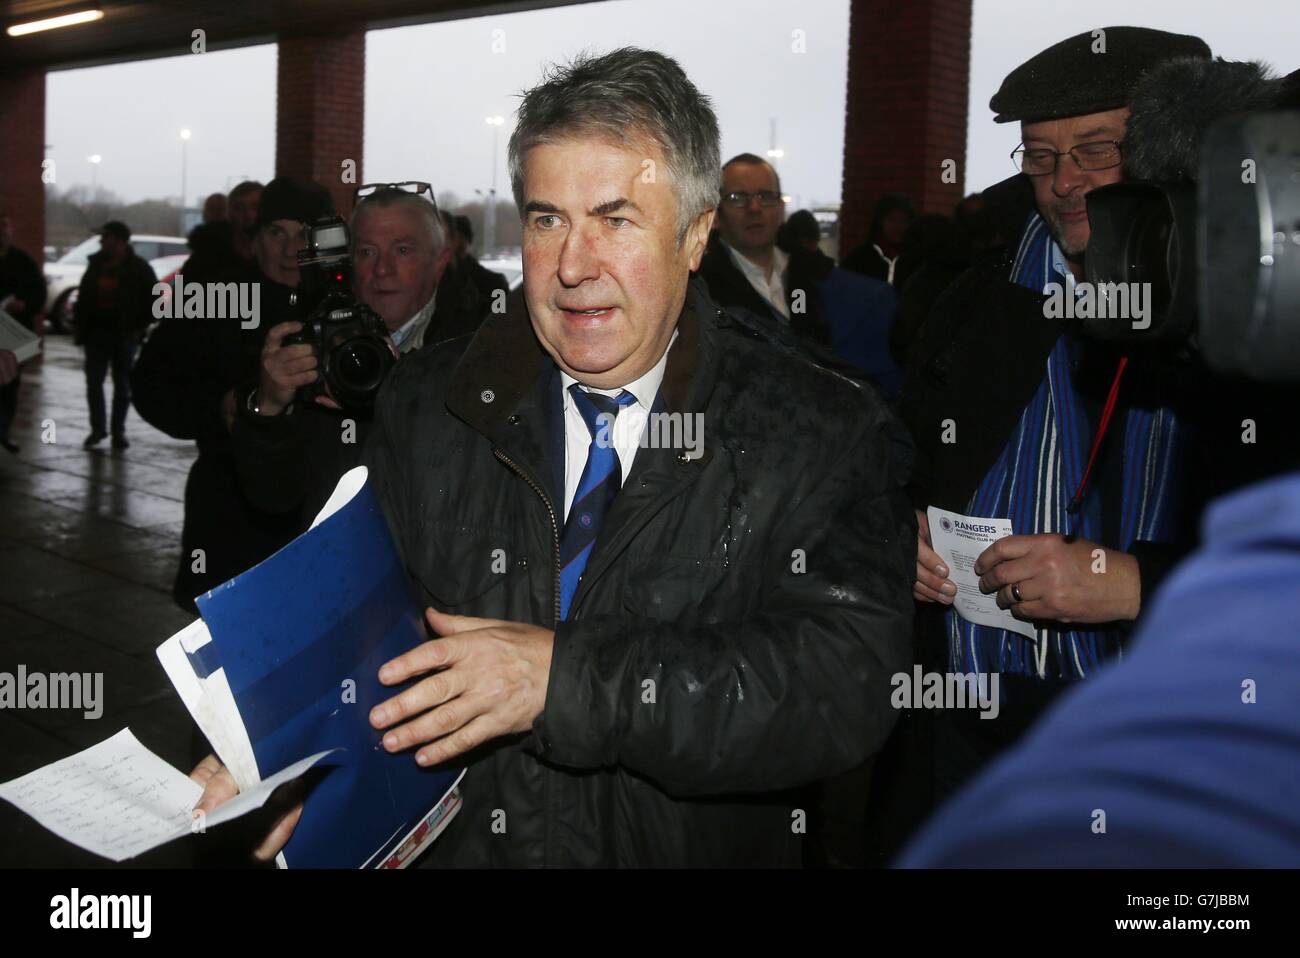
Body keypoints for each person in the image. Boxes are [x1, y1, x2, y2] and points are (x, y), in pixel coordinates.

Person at [193, 46, 916, 868]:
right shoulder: (429, 402)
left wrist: (565, 684)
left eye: (615, 218)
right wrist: (285, 751)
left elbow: (844, 684)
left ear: (694, 234)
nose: (573, 267)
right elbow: (371, 627)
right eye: (547, 220)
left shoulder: (816, 425)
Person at [870, 26, 1216, 861]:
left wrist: (1136, 586)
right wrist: (894, 532)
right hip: (965, 729)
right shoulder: (977, 301)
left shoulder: (1239, 323)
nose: (1064, 182)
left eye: (1098, 149)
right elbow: (891, 461)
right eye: (1039, 157)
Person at [231, 181, 486, 531]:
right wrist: (269, 407)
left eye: (403, 250)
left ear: (440, 262)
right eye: (367, 252)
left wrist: (401, 392)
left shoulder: (481, 352)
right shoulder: (315, 343)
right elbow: (273, 498)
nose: (382, 269)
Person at [131, 176, 332, 613]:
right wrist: (219, 409)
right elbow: (149, 386)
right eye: (276, 233)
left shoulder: (347, 301)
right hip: (230, 519)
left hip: (325, 518)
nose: (289, 249)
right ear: (255, 240)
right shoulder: (212, 298)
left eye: (303, 235)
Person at [698, 155, 901, 398]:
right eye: (737, 198)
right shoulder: (700, 292)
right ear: (716, 217)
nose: (754, 209)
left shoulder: (825, 281)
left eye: (766, 196)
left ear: (781, 210)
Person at [73, 220, 158, 449]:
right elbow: (84, 298)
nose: (101, 241)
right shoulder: (95, 265)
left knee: (122, 385)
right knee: (94, 383)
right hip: (96, 335)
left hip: (124, 336)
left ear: (119, 241)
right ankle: (98, 430)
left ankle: (118, 431)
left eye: (106, 236)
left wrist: (137, 325)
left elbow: (155, 301)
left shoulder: (138, 268)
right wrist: (81, 327)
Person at [0, 212, 47, 454]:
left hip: (13, 333)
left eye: (5, 228)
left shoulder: (22, 262)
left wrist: (24, 305)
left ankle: (3, 431)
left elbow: (38, 294)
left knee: (9, 385)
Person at [841, 193, 915, 284]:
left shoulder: (915, 258)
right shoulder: (860, 256)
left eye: (904, 221)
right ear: (880, 222)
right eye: (892, 219)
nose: (898, 226)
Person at [226, 180, 263, 265]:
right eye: (239, 208)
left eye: (256, 207)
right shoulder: (211, 255)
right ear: (229, 213)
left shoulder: (286, 252)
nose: (248, 215)